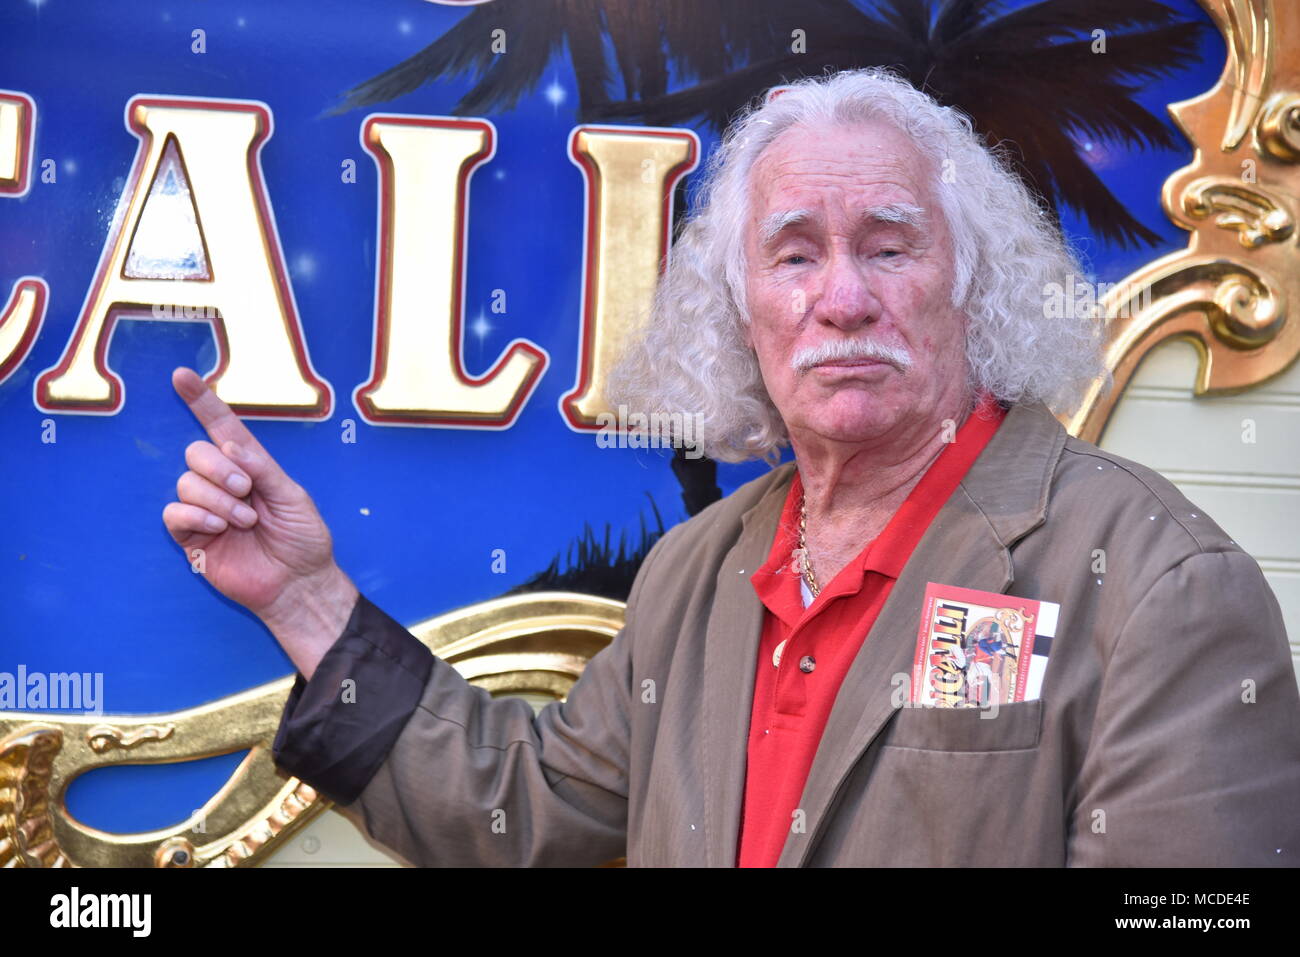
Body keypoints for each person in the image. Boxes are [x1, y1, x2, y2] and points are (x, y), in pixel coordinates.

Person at [163, 68, 1300, 867]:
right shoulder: (698, 569)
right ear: (743, 309)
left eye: (890, 247)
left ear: (973, 286)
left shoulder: (1159, 586)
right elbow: (525, 813)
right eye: (794, 253)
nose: (842, 297)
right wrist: (306, 599)